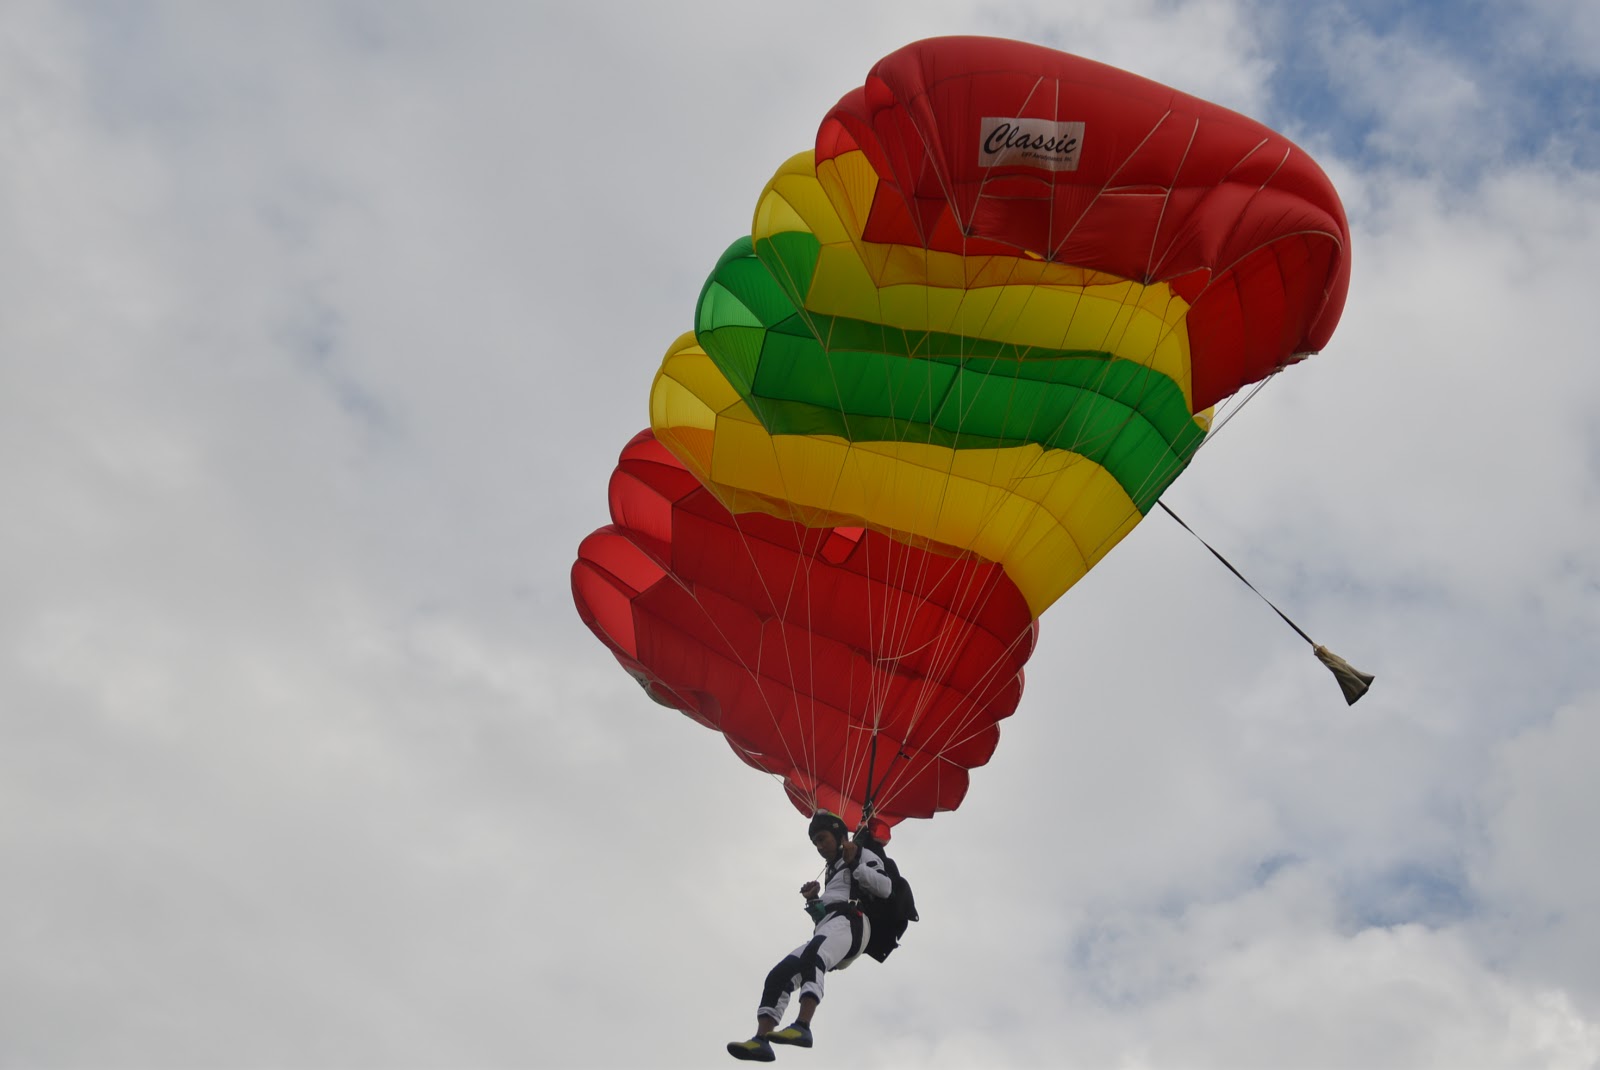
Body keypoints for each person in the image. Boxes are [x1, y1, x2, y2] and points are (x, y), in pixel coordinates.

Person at [726, 810, 893, 1062]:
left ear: (838, 836)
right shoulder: (832, 869)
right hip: (831, 925)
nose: (819, 846)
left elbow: (885, 888)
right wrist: (815, 900)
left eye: (822, 838)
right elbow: (825, 916)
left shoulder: (861, 855)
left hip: (853, 924)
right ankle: (761, 1040)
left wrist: (855, 863)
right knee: (780, 974)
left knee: (815, 955)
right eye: (815, 842)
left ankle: (803, 1026)